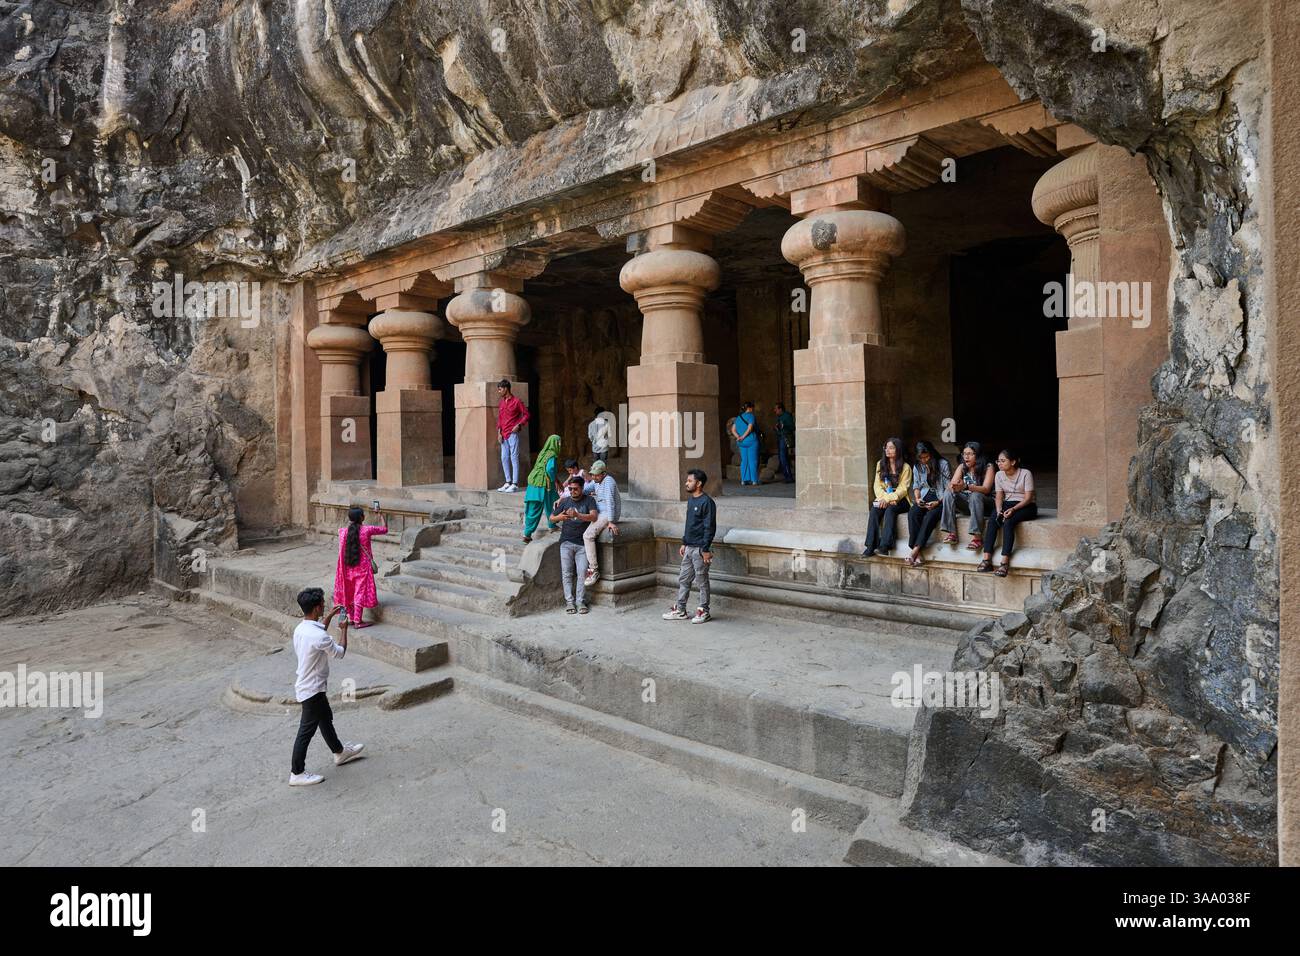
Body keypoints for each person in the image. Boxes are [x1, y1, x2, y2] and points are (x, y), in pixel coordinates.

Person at [289, 587, 364, 786]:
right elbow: (339, 652)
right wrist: (344, 628)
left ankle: (339, 752)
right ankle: (297, 772)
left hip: (312, 685)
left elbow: (319, 632)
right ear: (315, 608)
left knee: (325, 719)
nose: (325, 605)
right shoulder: (319, 636)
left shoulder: (302, 628)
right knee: (306, 731)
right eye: (322, 604)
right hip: (312, 689)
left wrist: (329, 616)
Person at [663, 469, 716, 624]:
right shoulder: (691, 500)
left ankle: (704, 610)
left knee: (701, 580)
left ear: (698, 483)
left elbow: (709, 527)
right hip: (688, 547)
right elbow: (690, 525)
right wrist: (684, 542)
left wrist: (705, 550)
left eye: (690, 481)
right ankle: (680, 610)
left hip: (700, 549)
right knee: (684, 579)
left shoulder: (707, 502)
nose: (686, 483)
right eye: (687, 481)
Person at [978, 449, 1038, 576]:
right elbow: (999, 496)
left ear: (1013, 462)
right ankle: (986, 558)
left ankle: (1004, 562)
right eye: (998, 461)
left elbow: (1028, 498)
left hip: (1026, 505)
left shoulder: (1025, 473)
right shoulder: (999, 475)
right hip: (1007, 504)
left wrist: (1014, 509)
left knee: (1009, 522)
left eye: (1003, 461)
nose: (999, 463)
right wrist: (999, 510)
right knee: (994, 519)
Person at [551, 476, 598, 613]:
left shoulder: (589, 500)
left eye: (575, 489)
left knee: (582, 573)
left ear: (582, 488)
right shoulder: (565, 501)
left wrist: (578, 515)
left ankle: (580, 602)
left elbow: (594, 516)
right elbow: (552, 518)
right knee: (566, 573)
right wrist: (562, 517)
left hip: (582, 544)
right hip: (565, 542)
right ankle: (569, 602)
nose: (572, 491)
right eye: (570, 489)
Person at [334, 505, 386, 628]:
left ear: (350, 518)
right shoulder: (367, 530)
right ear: (362, 517)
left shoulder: (342, 532)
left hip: (347, 567)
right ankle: (358, 621)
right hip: (362, 568)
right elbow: (384, 529)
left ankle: (351, 618)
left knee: (350, 592)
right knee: (359, 593)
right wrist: (380, 515)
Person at [941, 441, 996, 552]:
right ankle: (952, 533)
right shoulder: (962, 467)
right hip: (968, 505)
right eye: (964, 453)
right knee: (948, 493)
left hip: (986, 505)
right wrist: (953, 486)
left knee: (975, 495)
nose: (966, 456)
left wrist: (966, 486)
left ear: (978, 455)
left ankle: (977, 538)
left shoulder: (988, 467)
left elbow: (986, 489)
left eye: (970, 454)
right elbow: (952, 485)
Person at [862, 437, 911, 557]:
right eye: (886, 447)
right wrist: (884, 498)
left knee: (890, 510)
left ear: (898, 450)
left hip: (900, 499)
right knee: (874, 511)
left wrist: (890, 499)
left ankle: (885, 546)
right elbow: (877, 486)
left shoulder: (906, 467)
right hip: (884, 497)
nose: (887, 450)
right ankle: (870, 546)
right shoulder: (880, 464)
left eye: (891, 447)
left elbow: (903, 489)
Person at [906, 440, 952, 567]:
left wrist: (937, 502)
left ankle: (915, 550)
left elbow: (949, 488)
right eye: (921, 458)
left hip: (941, 497)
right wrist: (918, 498)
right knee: (913, 513)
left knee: (930, 516)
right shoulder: (917, 466)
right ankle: (917, 552)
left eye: (926, 457)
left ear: (931, 453)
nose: (924, 460)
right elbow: (916, 485)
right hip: (925, 495)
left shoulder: (943, 464)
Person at [582, 460, 621, 587]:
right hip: (598, 510)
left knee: (588, 535)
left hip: (607, 513)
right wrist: (566, 495)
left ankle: (593, 569)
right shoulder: (596, 481)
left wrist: (611, 521)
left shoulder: (609, 481)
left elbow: (611, 502)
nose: (594, 477)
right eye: (592, 474)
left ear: (604, 473)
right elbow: (584, 490)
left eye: (597, 475)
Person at [522, 434, 562, 543]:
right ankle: (552, 525)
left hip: (533, 483)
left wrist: (557, 480)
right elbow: (550, 469)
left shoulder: (543, 453)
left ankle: (527, 534)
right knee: (552, 503)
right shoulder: (552, 455)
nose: (559, 444)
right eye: (558, 442)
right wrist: (554, 481)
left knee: (533, 509)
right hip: (545, 486)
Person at [496, 379, 530, 492]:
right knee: (504, 458)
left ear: (506, 388)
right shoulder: (501, 403)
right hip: (503, 434)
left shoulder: (516, 401)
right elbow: (500, 419)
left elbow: (526, 415)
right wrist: (498, 432)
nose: (499, 392)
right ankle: (508, 482)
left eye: (500, 389)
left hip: (512, 433)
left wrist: (519, 425)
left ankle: (515, 483)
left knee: (513, 457)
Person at [732, 401, 760, 485]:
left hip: (741, 442)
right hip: (751, 441)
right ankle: (754, 480)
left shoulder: (738, 417)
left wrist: (738, 437)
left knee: (744, 461)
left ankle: (744, 480)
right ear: (750, 408)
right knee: (753, 461)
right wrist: (743, 436)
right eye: (752, 408)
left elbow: (733, 430)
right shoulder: (751, 416)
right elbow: (750, 428)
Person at [773, 402, 795, 483]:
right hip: (779, 437)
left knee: (783, 458)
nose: (774, 410)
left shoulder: (787, 415)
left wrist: (784, 425)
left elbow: (792, 427)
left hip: (784, 438)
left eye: (776, 409)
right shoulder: (779, 417)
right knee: (782, 458)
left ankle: (789, 477)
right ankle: (787, 477)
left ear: (780, 409)